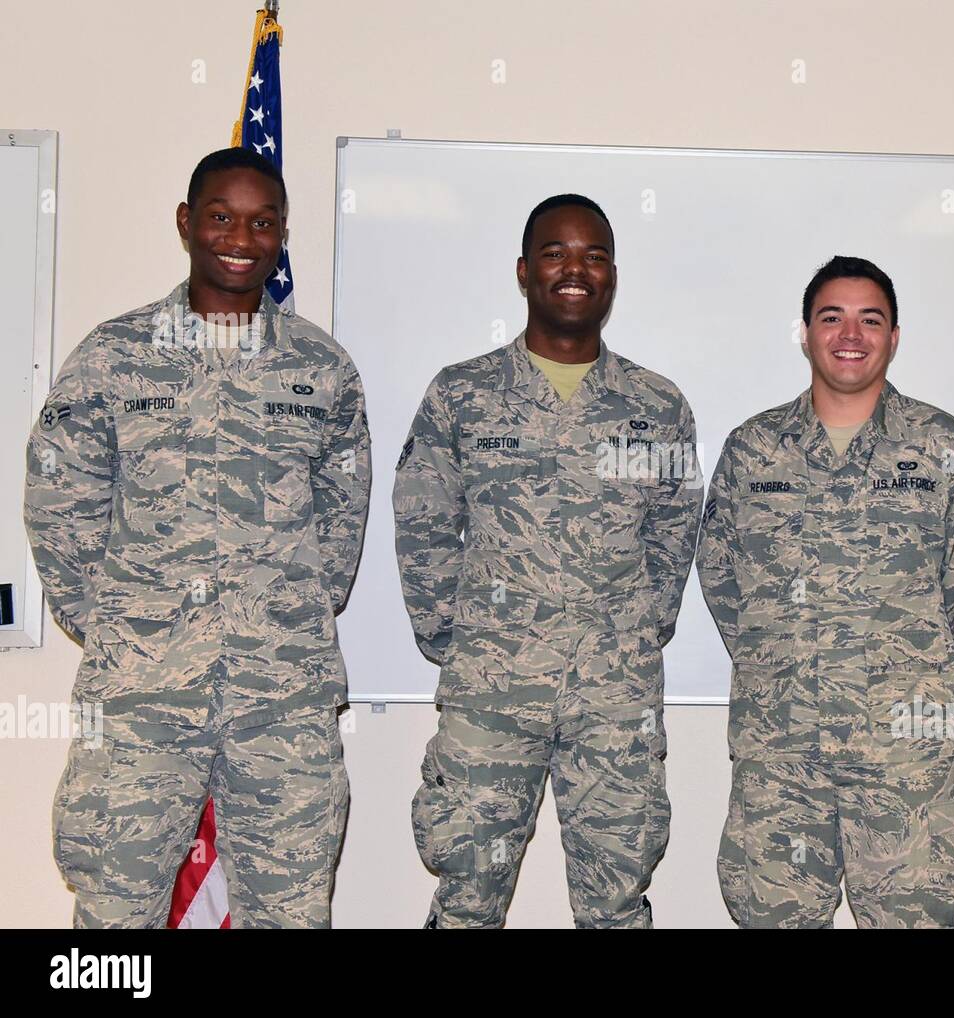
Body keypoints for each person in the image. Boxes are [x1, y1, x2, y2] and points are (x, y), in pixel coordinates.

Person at [25, 147, 371, 928]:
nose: (240, 236)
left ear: (283, 235)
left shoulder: (322, 371)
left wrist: (281, 616)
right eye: (221, 216)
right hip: (143, 695)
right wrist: (125, 624)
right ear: (187, 223)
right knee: (116, 913)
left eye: (262, 221)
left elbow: (339, 529)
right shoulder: (113, 357)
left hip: (283, 697)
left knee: (289, 910)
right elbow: (58, 498)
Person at [395, 194, 701, 928]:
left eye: (593, 256)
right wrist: (458, 637)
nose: (575, 269)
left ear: (613, 276)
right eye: (557, 254)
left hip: (614, 695)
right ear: (525, 271)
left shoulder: (657, 406)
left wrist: (630, 632)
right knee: (467, 891)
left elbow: (674, 531)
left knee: (617, 895)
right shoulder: (462, 395)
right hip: (491, 690)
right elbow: (424, 522)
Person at [696, 255, 954, 928]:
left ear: (894, 336)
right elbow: (724, 578)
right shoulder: (753, 450)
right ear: (806, 332)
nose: (851, 334)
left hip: (907, 759)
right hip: (781, 750)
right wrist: (780, 660)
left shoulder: (944, 446)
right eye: (831, 317)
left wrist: (923, 670)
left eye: (871, 319)